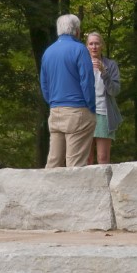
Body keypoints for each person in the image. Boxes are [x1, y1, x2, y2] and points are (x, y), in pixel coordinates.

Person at [39, 14, 96, 168]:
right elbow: (87, 81)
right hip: (77, 110)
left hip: (55, 110)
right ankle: (76, 192)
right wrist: (91, 107)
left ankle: (48, 190)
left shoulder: (48, 52)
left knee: (54, 162)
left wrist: (53, 102)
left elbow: (44, 84)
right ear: (76, 31)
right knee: (75, 164)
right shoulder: (79, 49)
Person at [85, 31, 121, 165]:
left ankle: (104, 185)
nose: (94, 47)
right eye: (91, 44)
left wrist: (104, 72)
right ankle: (88, 185)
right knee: (86, 158)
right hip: (85, 114)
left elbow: (114, 91)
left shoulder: (111, 65)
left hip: (104, 113)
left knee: (103, 157)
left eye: (97, 43)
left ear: (102, 46)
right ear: (87, 46)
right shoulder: (82, 64)